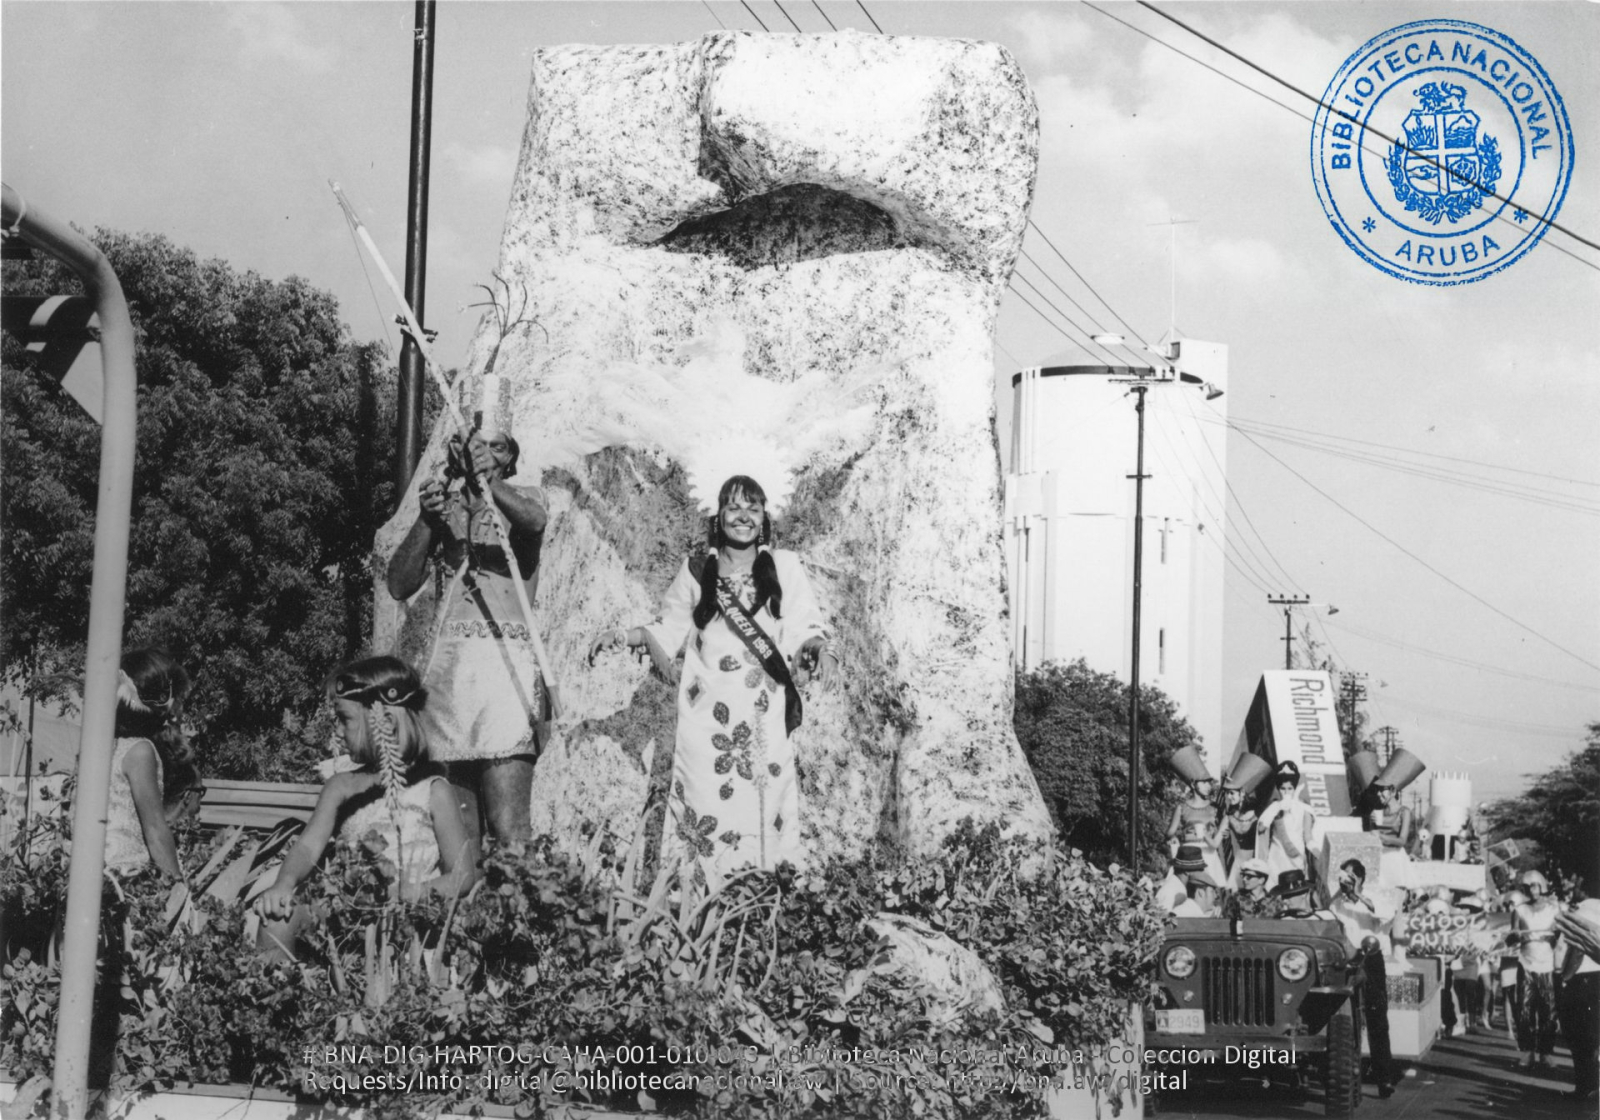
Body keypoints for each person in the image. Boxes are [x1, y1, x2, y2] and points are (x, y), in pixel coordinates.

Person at [588, 475, 835, 888]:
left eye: (753, 509)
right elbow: (667, 628)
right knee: (704, 797)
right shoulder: (696, 570)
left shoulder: (785, 566)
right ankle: (698, 898)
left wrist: (818, 648)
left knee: (762, 800)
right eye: (734, 507)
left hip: (762, 714)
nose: (743, 516)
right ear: (719, 516)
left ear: (764, 517)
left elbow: (803, 624)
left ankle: (765, 896)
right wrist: (622, 636)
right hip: (707, 718)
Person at [386, 377, 549, 847]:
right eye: (474, 447)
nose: (484, 455)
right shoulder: (446, 506)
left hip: (505, 674)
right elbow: (399, 584)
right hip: (451, 673)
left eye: (495, 448)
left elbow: (534, 522)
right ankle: (460, 917)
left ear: (509, 457)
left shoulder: (528, 499)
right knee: (458, 833)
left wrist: (487, 481)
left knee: (510, 826)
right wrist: (426, 520)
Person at [255, 657, 478, 957]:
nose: (336, 730)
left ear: (383, 721)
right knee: (277, 918)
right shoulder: (341, 786)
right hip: (346, 915)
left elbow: (462, 874)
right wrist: (284, 883)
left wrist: (414, 893)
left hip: (408, 919)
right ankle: (272, 994)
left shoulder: (433, 790)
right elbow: (308, 847)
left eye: (344, 719)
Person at [106, 649, 190, 879]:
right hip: (124, 877)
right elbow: (154, 829)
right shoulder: (140, 751)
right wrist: (177, 885)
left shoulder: (105, 748)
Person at [1331, 859, 1398, 1097]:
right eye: (1343, 876)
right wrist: (1340, 894)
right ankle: (1345, 1074)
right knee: (1344, 1019)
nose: (1346, 881)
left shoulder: (1372, 897)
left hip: (1371, 959)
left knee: (1377, 1019)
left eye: (1350, 876)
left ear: (1360, 878)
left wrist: (1358, 894)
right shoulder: (1336, 903)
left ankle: (1384, 1078)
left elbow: (1386, 914)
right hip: (1347, 961)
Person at [1511, 869, 1560, 1070]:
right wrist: (1517, 936)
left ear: (1542, 886)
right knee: (1524, 1010)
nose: (1532, 890)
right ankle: (1527, 1052)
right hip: (1526, 964)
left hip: (1547, 965)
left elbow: (1560, 934)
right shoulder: (1519, 910)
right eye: (1528, 886)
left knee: (1548, 1013)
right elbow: (1511, 935)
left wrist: (1554, 937)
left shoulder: (1554, 908)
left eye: (1535, 885)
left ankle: (1546, 1053)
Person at [1557, 898, 1600, 1101]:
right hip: (1593, 979)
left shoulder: (1586, 910)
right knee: (1590, 1039)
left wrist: (1564, 978)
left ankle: (1585, 1087)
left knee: (1579, 1038)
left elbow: (1577, 950)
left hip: (1583, 980)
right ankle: (1588, 1087)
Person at [1257, 761, 1315, 880]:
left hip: (1296, 855)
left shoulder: (1304, 808)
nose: (1286, 792)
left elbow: (1308, 837)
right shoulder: (1274, 806)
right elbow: (1261, 828)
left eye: (1290, 788)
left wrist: (1317, 853)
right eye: (1283, 788)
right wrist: (1277, 808)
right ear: (1278, 789)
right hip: (1276, 855)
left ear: (1294, 788)